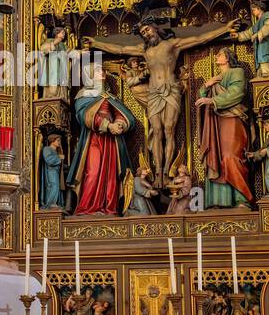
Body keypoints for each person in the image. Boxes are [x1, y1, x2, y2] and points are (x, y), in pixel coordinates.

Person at [91, 14, 239, 187]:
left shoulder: (172, 44)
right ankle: (158, 172)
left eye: (147, 29)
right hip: (154, 93)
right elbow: (120, 49)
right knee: (157, 130)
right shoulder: (144, 50)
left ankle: (168, 171)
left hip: (171, 90)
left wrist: (225, 29)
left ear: (155, 27)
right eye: (142, 32)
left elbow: (200, 38)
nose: (146, 34)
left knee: (169, 130)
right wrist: (95, 44)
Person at [67, 63, 137, 216]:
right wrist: (107, 125)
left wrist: (120, 123)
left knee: (111, 174)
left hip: (111, 141)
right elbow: (83, 115)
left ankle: (109, 208)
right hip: (94, 137)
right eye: (98, 70)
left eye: (103, 70)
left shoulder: (110, 97)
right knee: (93, 171)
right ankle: (87, 208)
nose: (103, 72)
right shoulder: (84, 95)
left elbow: (122, 114)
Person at [197, 47, 254, 209]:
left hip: (233, 118)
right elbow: (202, 98)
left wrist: (212, 101)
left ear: (228, 58)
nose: (216, 56)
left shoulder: (237, 72)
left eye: (220, 54)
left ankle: (242, 198)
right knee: (216, 157)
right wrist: (205, 87)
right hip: (215, 121)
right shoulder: (215, 78)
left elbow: (237, 92)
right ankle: (220, 201)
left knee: (231, 156)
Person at [38, 133, 67, 209]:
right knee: (53, 186)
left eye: (59, 141)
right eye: (57, 140)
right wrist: (59, 158)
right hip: (50, 172)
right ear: (52, 141)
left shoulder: (56, 151)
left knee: (58, 187)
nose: (59, 142)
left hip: (56, 172)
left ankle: (55, 203)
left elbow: (60, 164)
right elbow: (49, 160)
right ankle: (50, 204)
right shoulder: (47, 149)